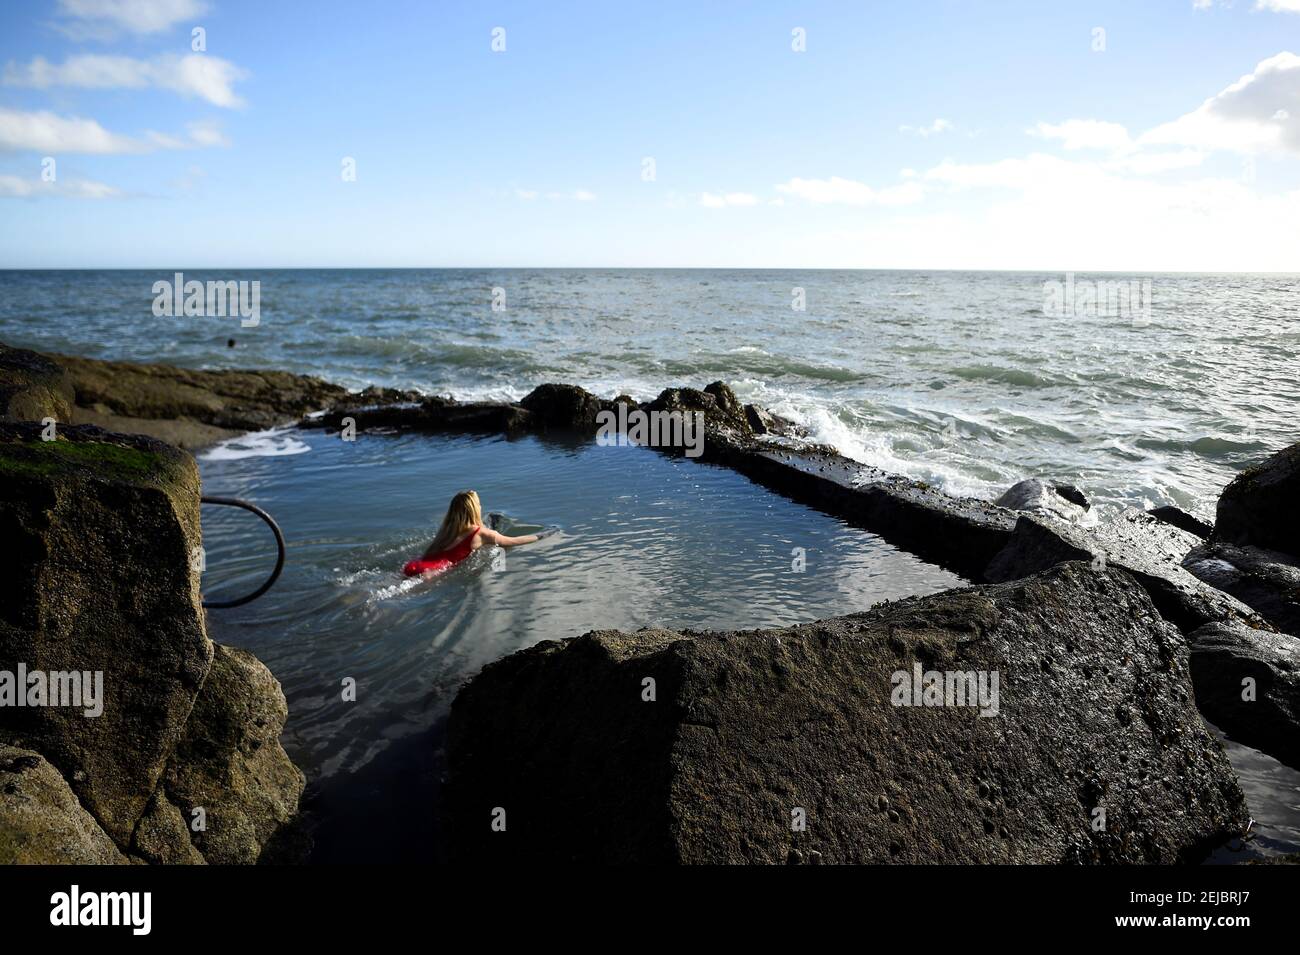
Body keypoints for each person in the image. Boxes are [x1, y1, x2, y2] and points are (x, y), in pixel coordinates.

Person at [402, 490, 538, 577]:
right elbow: (514, 541)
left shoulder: (448, 529)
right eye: (478, 504)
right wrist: (540, 536)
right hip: (430, 573)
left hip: (413, 565)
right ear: (474, 509)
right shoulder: (481, 534)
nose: (480, 506)